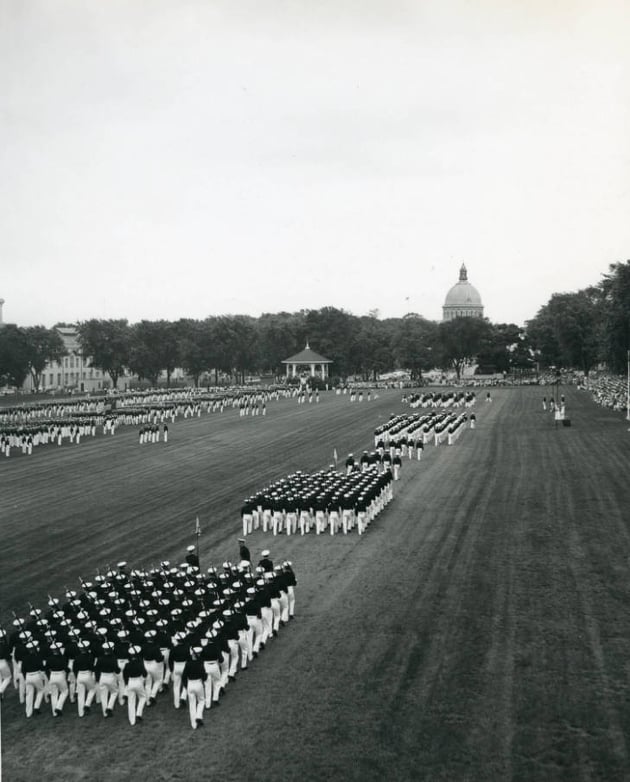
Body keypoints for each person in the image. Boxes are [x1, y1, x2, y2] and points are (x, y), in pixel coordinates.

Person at [182, 647, 207, 729]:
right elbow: (204, 676)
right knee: (201, 700)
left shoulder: (188, 664)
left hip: (190, 684)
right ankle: (199, 716)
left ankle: (194, 725)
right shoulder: (200, 663)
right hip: (198, 683)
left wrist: (186, 686)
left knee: (192, 705)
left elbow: (184, 677)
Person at [123, 646, 148, 725]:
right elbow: (145, 673)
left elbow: (125, 675)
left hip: (130, 682)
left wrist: (127, 683)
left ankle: (132, 721)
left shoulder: (127, 664)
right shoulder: (140, 663)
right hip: (138, 681)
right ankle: (138, 714)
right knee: (143, 697)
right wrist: (143, 678)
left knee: (131, 701)